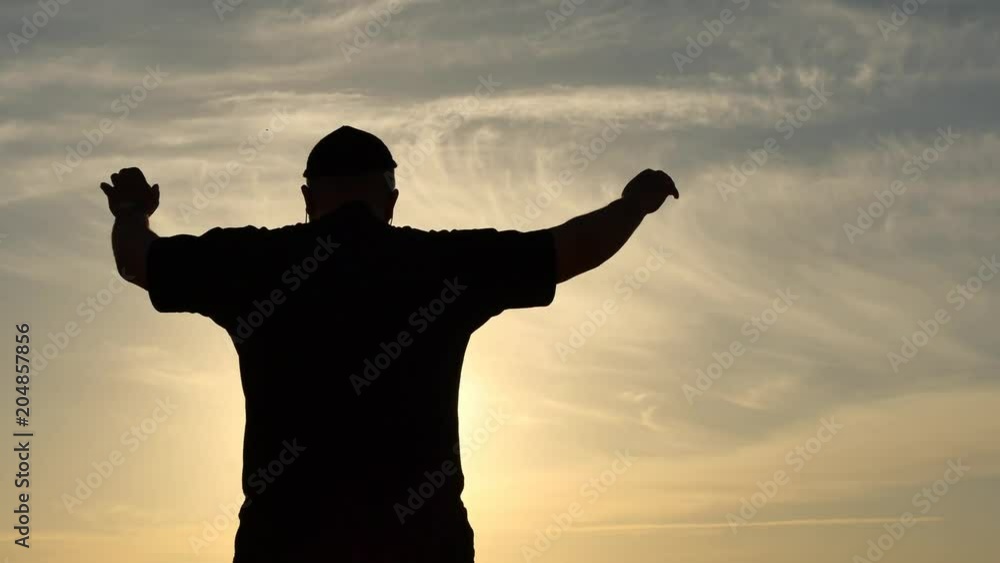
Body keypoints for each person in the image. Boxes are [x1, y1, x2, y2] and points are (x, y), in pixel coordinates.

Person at [99, 125, 678, 563]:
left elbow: (138, 261)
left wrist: (131, 211)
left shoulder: (251, 264)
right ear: (391, 198)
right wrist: (633, 205)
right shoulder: (441, 263)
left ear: (307, 197)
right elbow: (570, 249)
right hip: (422, 543)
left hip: (284, 542)